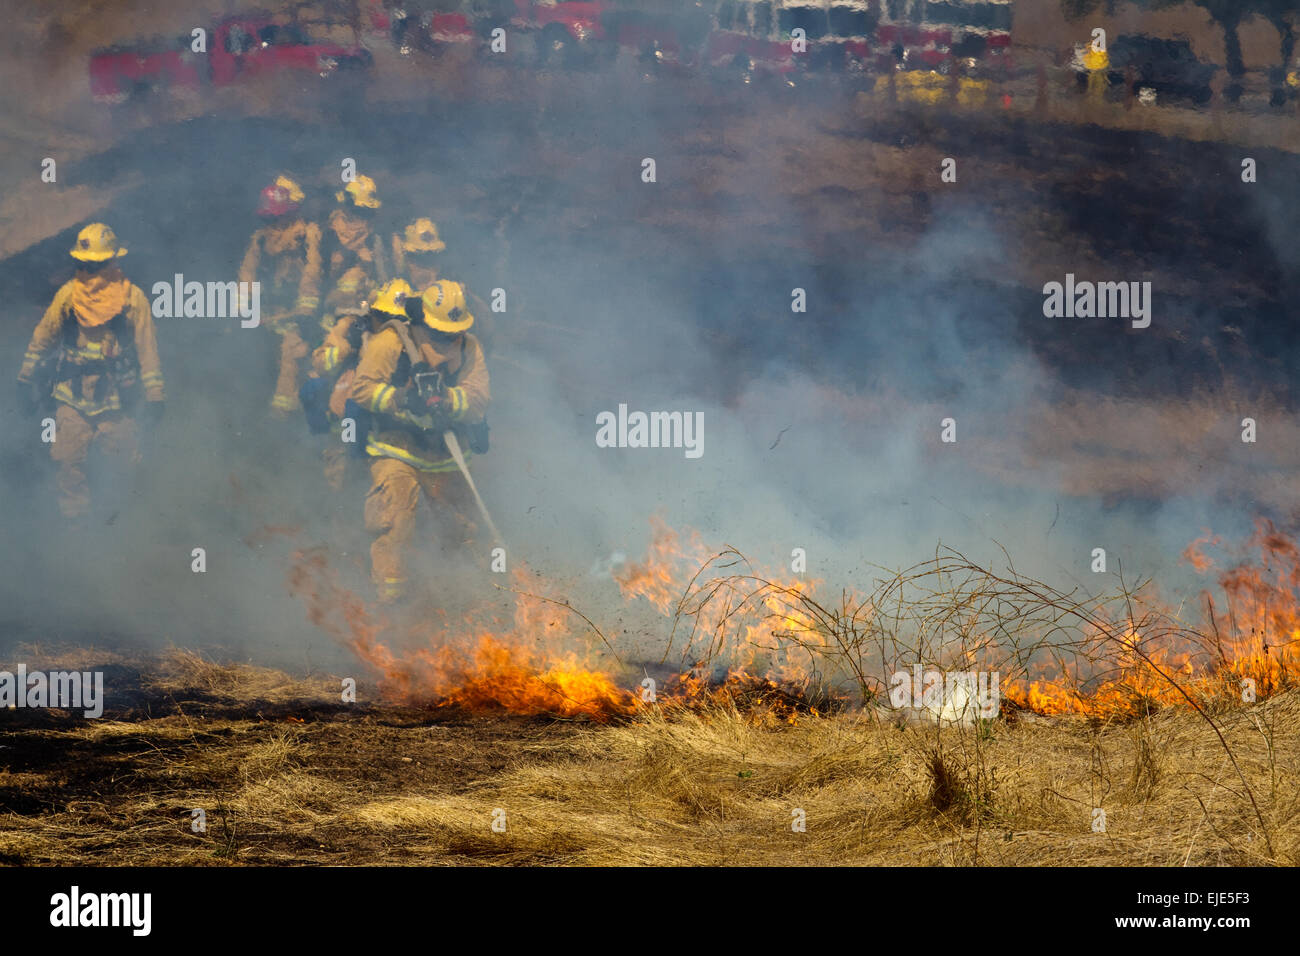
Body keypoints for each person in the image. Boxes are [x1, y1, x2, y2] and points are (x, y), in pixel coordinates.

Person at [348, 279, 489, 603]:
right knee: (397, 521)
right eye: (440, 332)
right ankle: (389, 608)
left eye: (453, 333)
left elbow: (479, 399)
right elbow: (362, 389)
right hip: (396, 450)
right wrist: (401, 398)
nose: (448, 340)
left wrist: (449, 400)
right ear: (423, 320)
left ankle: (464, 604)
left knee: (465, 532)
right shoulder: (392, 342)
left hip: (447, 454)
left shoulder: (470, 348)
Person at [15, 223, 165, 521]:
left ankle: (120, 528)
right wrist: (24, 376)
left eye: (97, 264)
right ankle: (77, 531)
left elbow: (147, 347)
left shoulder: (132, 299)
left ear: (112, 261)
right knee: (68, 465)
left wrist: (155, 395)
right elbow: (43, 337)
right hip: (71, 398)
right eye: (85, 264)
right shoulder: (68, 296)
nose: (91, 272)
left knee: (121, 467)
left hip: (117, 400)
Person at [238, 174, 322, 417]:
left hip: (297, 313)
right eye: (268, 218)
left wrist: (306, 308)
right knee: (265, 361)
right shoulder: (261, 238)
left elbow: (312, 271)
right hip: (270, 313)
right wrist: (244, 307)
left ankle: (282, 418)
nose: (273, 223)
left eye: (277, 217)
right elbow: (247, 273)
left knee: (290, 355)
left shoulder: (306, 235)